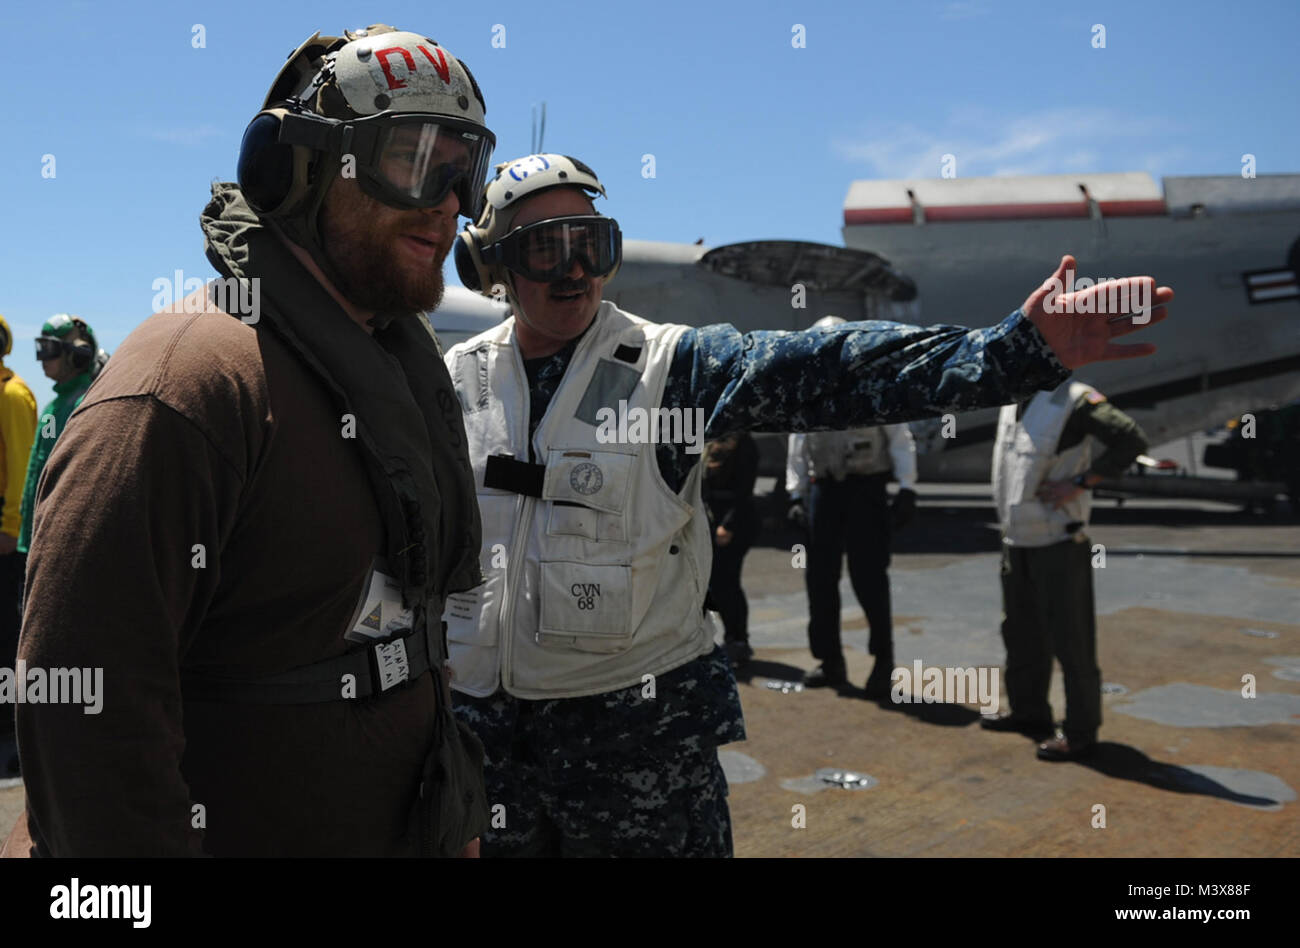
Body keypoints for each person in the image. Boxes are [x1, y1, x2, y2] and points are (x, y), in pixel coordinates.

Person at [443, 151, 1172, 857]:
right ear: (493, 265)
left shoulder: (671, 370)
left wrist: (1009, 353)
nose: (575, 270)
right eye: (545, 250)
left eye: (592, 245)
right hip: (492, 753)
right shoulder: (452, 382)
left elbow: (833, 370)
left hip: (634, 750)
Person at [6, 24, 495, 857]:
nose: (449, 200)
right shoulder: (188, 386)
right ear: (297, 173)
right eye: (414, 160)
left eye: (464, 168)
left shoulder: (395, 379)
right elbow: (83, 711)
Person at [982, 380, 1148, 761]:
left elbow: (1131, 439)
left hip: (1058, 541)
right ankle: (1029, 713)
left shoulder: (1073, 400)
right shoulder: (1012, 402)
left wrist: (1079, 483)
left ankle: (1080, 731)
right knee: (1020, 633)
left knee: (1071, 641)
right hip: (1016, 541)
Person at [786, 349, 917, 698]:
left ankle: (883, 663)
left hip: (865, 491)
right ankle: (830, 661)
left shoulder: (876, 391)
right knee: (820, 581)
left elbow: (901, 440)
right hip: (824, 492)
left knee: (870, 578)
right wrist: (795, 495)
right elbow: (797, 448)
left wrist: (907, 488)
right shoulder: (808, 395)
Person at [17, 315, 103, 558]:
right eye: (41, 349)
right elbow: (40, 464)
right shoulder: (52, 409)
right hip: (36, 537)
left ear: (77, 355)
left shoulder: (84, 404)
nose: (43, 358)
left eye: (50, 350)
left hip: (59, 544)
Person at [0, 314, 36, 780]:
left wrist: (11, 528)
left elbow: (25, 465)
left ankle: (12, 728)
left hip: (5, 539)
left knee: (8, 630)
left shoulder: (11, 394)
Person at [702, 432, 760, 668]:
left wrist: (729, 524)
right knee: (716, 583)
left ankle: (739, 640)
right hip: (712, 521)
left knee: (729, 583)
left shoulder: (745, 445)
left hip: (734, 523)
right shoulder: (711, 441)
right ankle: (730, 639)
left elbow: (745, 492)